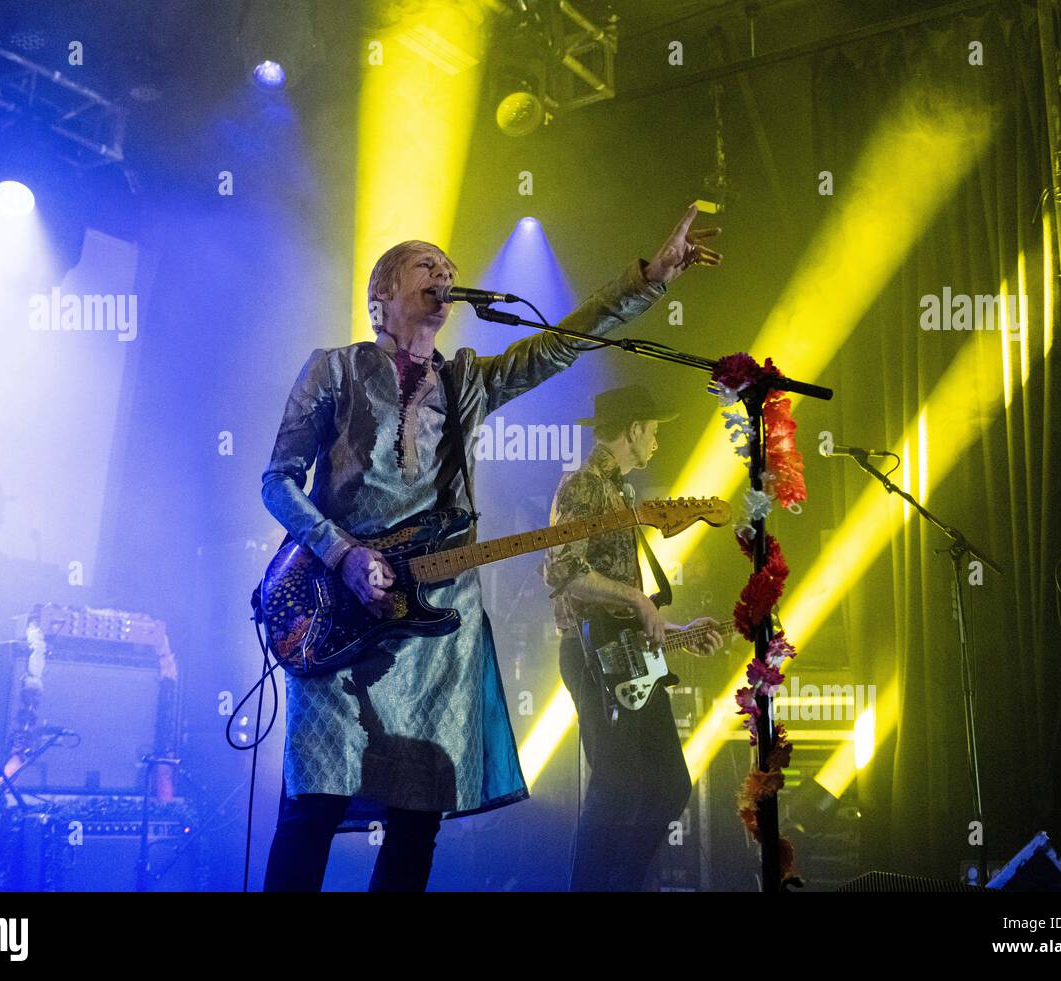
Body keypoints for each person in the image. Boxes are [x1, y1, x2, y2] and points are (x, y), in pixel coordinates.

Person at [259, 205, 721, 892]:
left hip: (436, 632)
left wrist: (649, 277)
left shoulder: (464, 381)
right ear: (380, 296)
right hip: (337, 610)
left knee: (417, 821)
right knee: (314, 805)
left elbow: (559, 344)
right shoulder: (334, 371)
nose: (444, 273)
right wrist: (345, 553)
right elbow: (277, 482)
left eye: (449, 267)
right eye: (425, 265)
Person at [543, 384, 725, 891]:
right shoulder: (583, 486)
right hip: (589, 652)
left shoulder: (621, 493)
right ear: (634, 430)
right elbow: (564, 572)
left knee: (667, 785)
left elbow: (626, 610)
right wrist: (638, 599)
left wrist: (677, 632)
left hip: (625, 654)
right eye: (654, 432)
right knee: (616, 785)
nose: (657, 443)